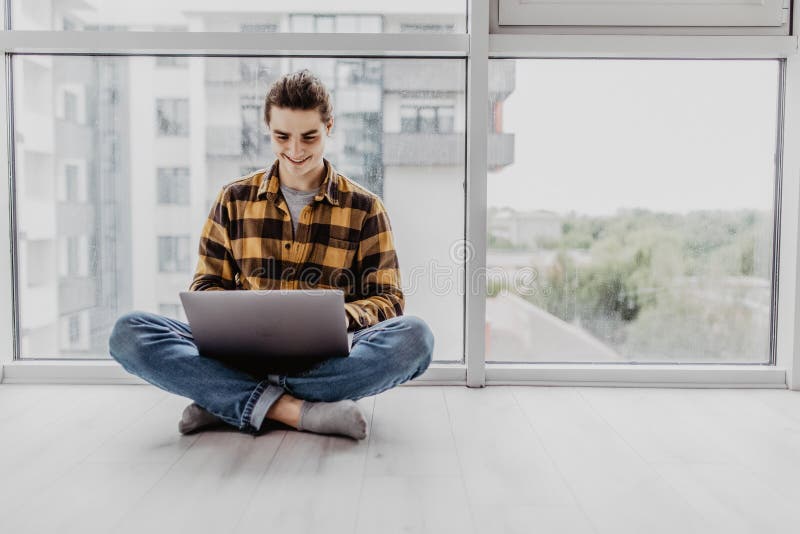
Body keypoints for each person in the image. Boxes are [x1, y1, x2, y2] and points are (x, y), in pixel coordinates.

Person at [108, 70, 434, 440]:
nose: (295, 150)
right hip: (242, 353)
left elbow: (389, 300)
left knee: (415, 339)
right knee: (128, 333)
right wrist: (238, 318)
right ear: (268, 128)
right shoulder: (233, 200)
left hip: (328, 357)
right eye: (282, 136)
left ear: (330, 126)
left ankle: (229, 399)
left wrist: (339, 317)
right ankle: (292, 409)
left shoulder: (365, 208)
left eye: (309, 136)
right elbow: (205, 285)